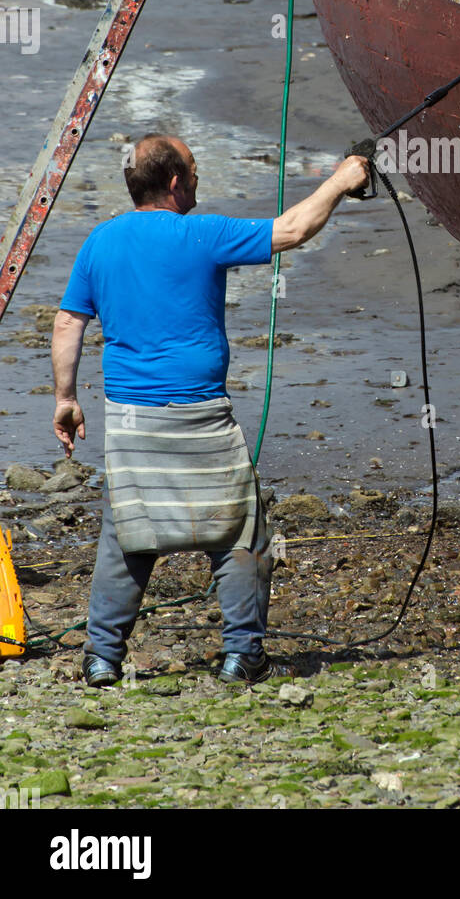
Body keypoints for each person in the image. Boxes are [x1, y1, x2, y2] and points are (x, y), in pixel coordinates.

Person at [51, 133, 368, 686]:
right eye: (194, 170)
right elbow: (293, 229)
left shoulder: (99, 242)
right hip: (202, 417)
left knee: (128, 537)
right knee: (238, 533)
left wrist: (66, 398)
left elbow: (67, 322)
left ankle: (102, 659)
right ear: (175, 183)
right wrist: (343, 179)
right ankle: (242, 655)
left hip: (130, 420)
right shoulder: (203, 233)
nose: (198, 179)